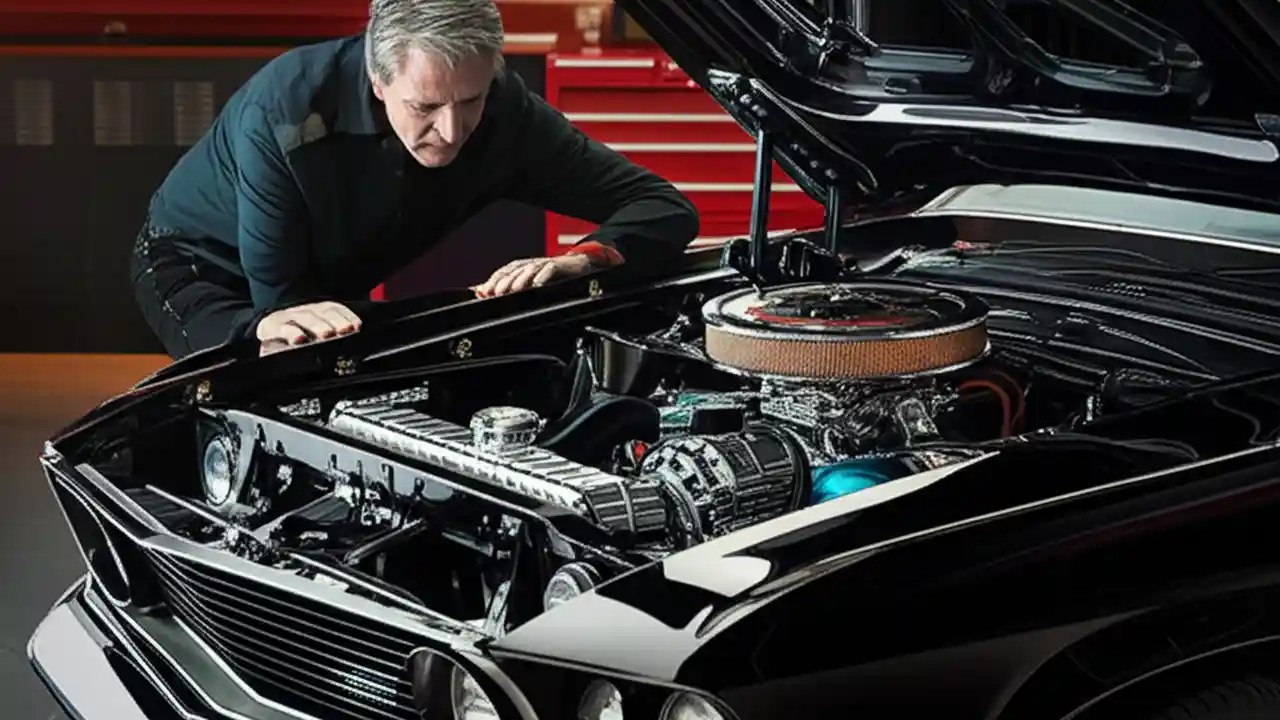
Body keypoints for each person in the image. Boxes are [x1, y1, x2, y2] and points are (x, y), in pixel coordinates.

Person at [131, 0, 699, 360]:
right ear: (379, 80)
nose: (451, 131)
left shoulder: (507, 115)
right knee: (269, 372)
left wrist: (582, 260)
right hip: (201, 270)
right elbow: (287, 311)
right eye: (424, 106)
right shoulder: (286, 111)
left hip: (328, 283)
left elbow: (663, 205)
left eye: (469, 100)